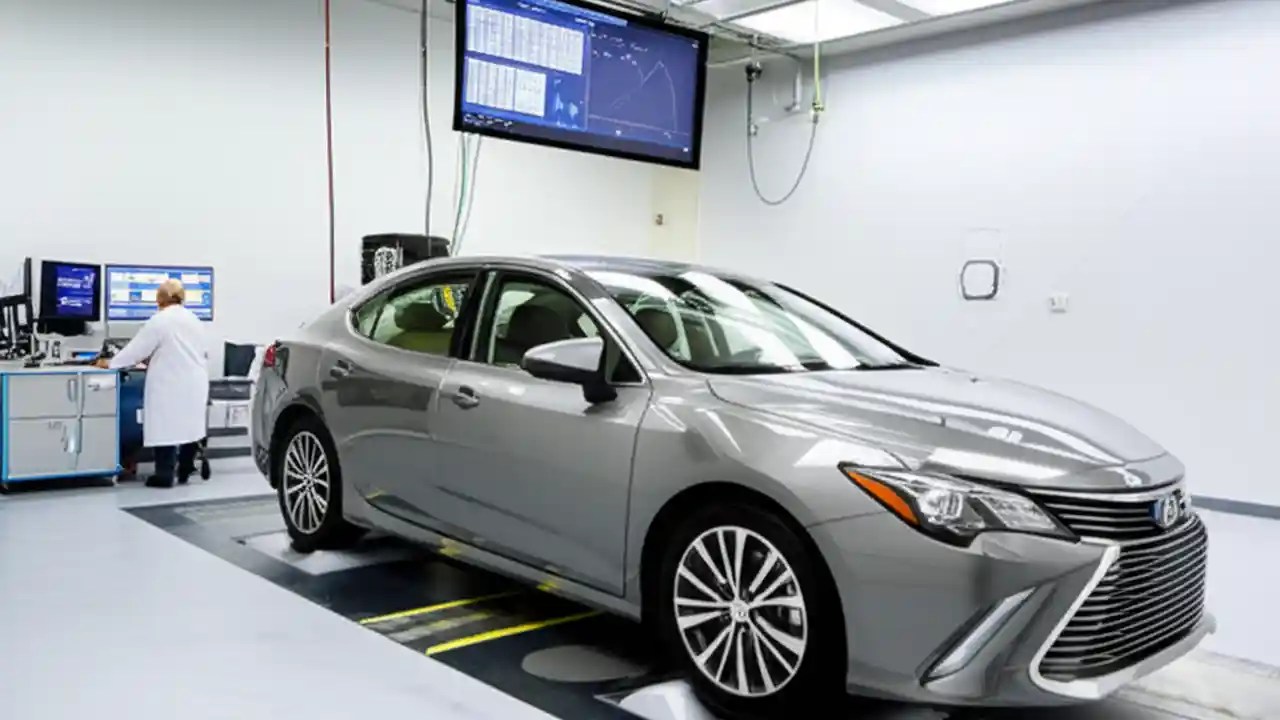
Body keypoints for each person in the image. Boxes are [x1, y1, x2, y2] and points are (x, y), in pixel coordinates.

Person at [95, 279, 209, 487]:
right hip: (195, 380)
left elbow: (135, 351)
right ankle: (185, 469)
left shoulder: (159, 321)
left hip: (169, 381)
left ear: (159, 299)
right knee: (189, 425)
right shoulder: (194, 319)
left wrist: (110, 363)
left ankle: (164, 475)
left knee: (164, 425)